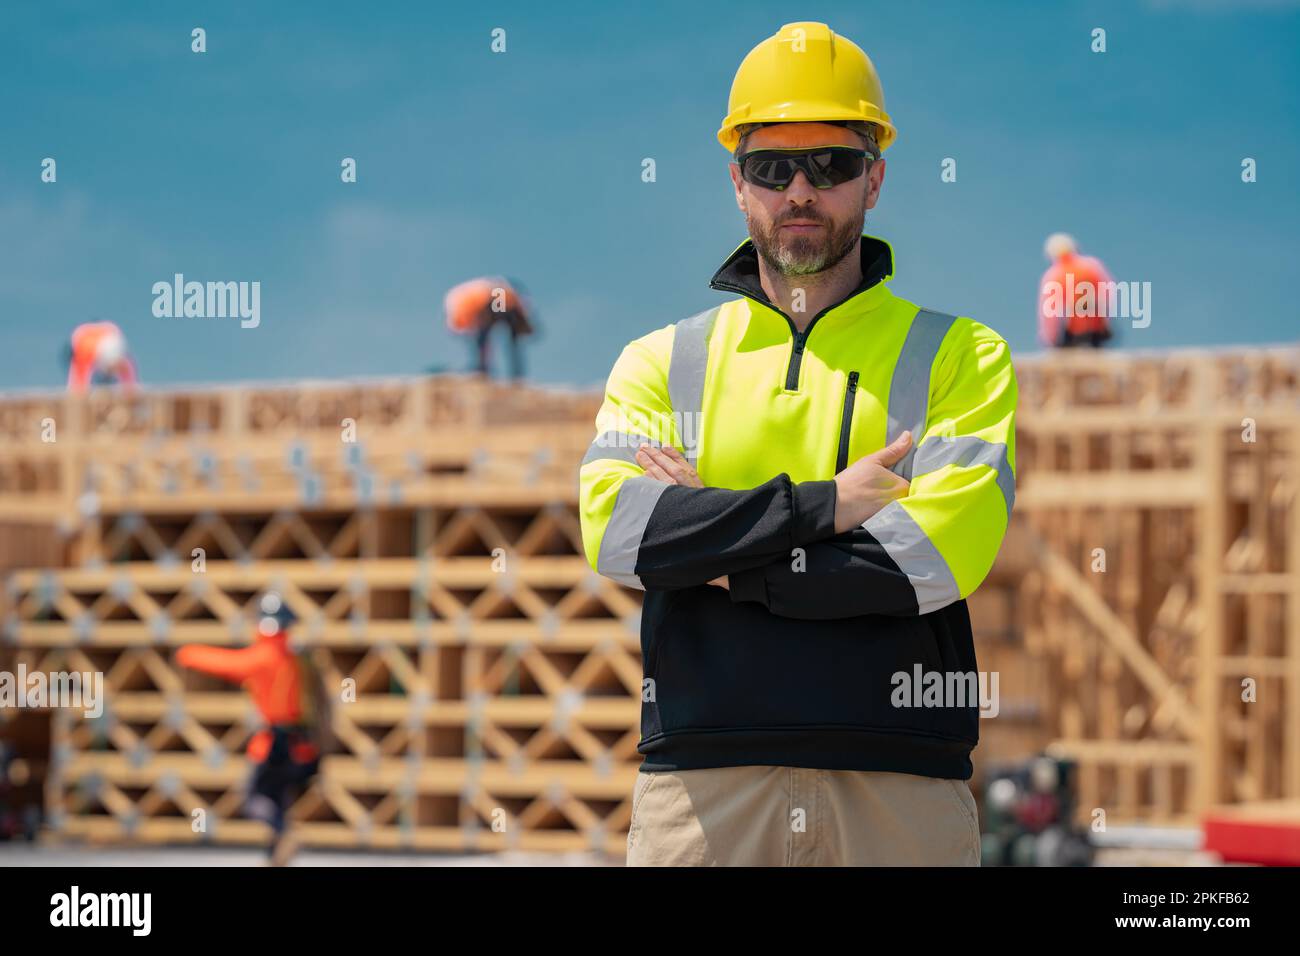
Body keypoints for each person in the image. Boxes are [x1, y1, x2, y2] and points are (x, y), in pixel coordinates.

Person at [579, 21, 1017, 866]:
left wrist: (715, 544)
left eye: (833, 163)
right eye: (773, 167)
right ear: (736, 185)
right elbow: (622, 536)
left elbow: (933, 560)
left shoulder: (962, 355)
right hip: (703, 785)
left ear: (875, 179)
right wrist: (826, 506)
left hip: (896, 786)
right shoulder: (662, 362)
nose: (801, 190)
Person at [176, 592, 324, 865]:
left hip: (276, 745)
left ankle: (283, 833)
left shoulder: (266, 656)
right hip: (301, 744)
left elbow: (227, 664)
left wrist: (187, 654)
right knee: (278, 797)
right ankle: (276, 854)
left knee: (254, 797)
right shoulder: (296, 657)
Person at [443, 276, 535, 381]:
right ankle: (512, 373)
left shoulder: (459, 310)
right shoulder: (458, 305)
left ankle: (486, 370)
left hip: (497, 294)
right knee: (496, 336)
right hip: (499, 294)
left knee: (484, 336)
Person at [1037, 233, 1114, 348]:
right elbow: (1108, 293)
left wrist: (1050, 339)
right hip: (1097, 329)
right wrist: (1106, 322)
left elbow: (1049, 315)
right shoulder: (1092, 266)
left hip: (1074, 332)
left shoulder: (1053, 275)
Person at [65, 321, 138, 393]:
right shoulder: (83, 348)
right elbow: (77, 385)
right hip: (104, 342)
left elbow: (130, 383)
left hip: (109, 343)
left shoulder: (84, 349)